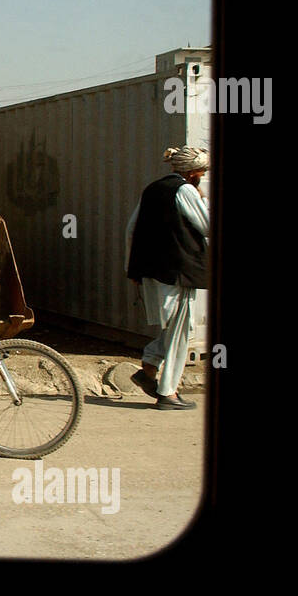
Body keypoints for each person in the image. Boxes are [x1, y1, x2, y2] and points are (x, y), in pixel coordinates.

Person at [124, 146, 210, 410]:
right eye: (202, 172)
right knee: (180, 332)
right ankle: (167, 393)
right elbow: (206, 225)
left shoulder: (153, 189)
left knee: (178, 329)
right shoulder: (185, 190)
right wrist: (202, 199)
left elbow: (131, 230)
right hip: (177, 271)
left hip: (151, 271)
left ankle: (148, 368)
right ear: (194, 172)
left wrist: (133, 270)